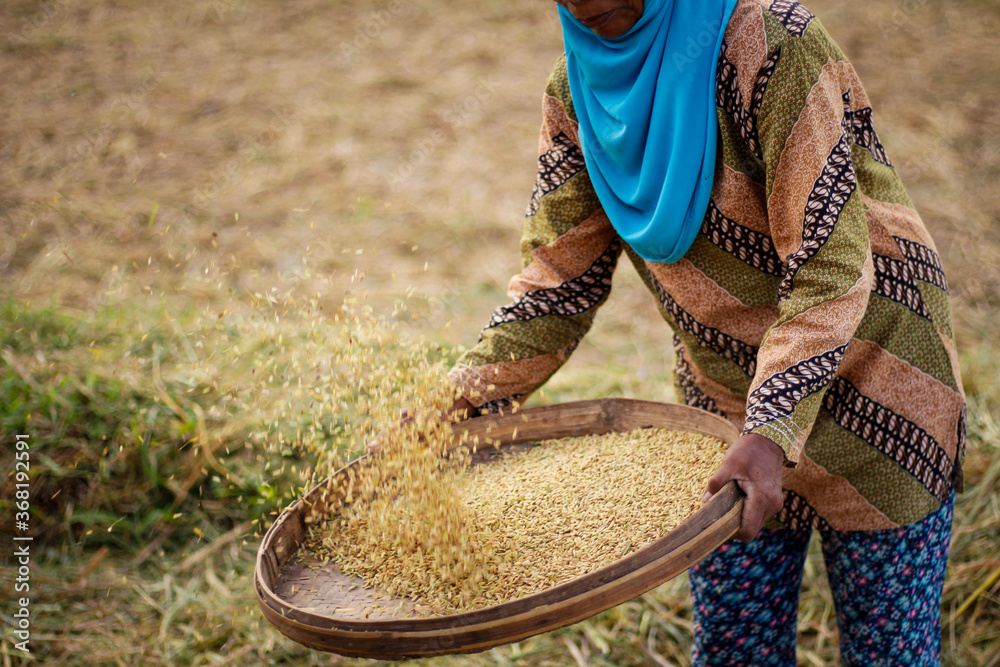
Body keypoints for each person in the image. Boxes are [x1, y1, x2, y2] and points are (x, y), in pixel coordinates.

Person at [441, 0, 966, 664]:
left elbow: (830, 263)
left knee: (888, 649)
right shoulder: (576, 92)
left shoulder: (770, 45)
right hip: (726, 409)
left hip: (877, 385)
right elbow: (558, 278)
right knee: (733, 647)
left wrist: (772, 428)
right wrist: (462, 396)